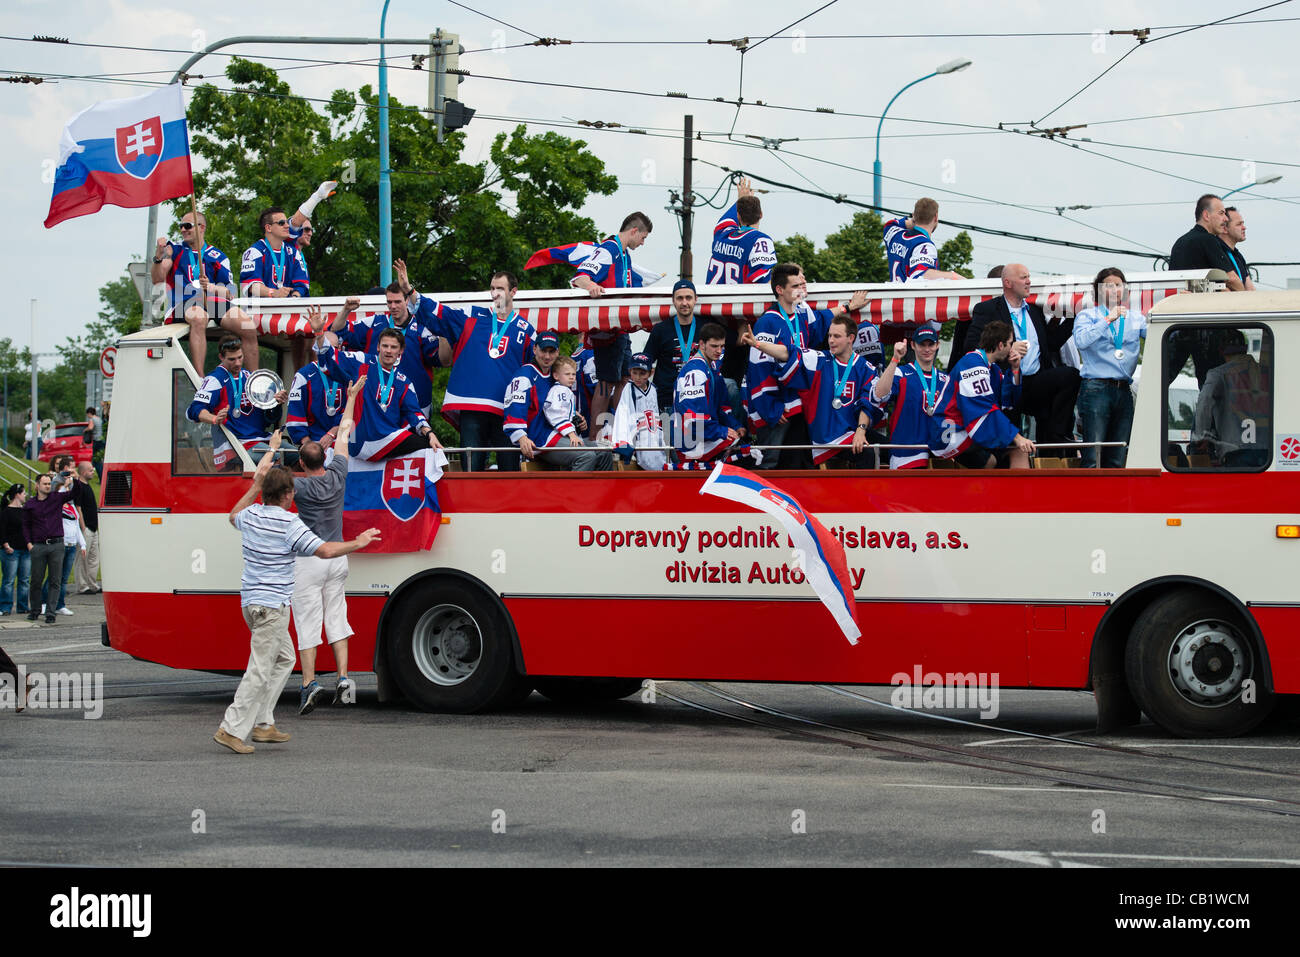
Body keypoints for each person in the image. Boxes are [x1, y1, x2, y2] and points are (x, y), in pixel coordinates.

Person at [215, 432, 380, 754]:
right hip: (272, 607)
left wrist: (256, 481)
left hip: (251, 603)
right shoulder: (289, 525)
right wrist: (356, 543)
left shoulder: (250, 516)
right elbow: (325, 551)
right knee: (260, 668)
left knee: (285, 658)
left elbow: (232, 515)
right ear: (289, 495)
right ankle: (231, 728)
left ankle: (263, 724)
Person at [406, 263, 536, 471]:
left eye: (500, 288)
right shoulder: (472, 315)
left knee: (510, 468)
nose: (495, 293)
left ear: (513, 291)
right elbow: (440, 313)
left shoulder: (527, 331)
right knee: (471, 467)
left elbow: (535, 373)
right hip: (471, 403)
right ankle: (469, 504)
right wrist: (409, 290)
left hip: (507, 409)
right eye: (492, 288)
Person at [745, 262, 867, 468]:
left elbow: (822, 319)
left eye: (801, 284)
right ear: (780, 290)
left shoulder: (801, 311)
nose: (800, 289)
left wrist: (848, 307)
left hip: (799, 401)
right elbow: (758, 368)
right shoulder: (768, 322)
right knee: (771, 462)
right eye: (794, 286)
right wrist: (771, 408)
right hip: (779, 408)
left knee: (798, 460)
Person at [294, 375, 364, 716]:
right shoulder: (338, 473)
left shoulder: (299, 487)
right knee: (337, 618)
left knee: (308, 622)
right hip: (338, 558)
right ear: (324, 458)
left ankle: (309, 683)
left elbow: (266, 479)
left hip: (309, 559)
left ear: (303, 465)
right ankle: (344, 680)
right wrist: (351, 397)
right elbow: (345, 429)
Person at [959, 263, 1079, 449]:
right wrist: (1005, 348)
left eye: (1029, 276)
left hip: (1034, 381)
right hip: (1005, 383)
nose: (1029, 281)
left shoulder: (1035, 310)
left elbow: (1052, 344)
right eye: (1023, 277)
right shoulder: (987, 309)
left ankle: (1058, 435)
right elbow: (971, 346)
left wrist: (1074, 315)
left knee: (1070, 375)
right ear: (1007, 282)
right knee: (1010, 446)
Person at [309, 309, 442, 461]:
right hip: (362, 438)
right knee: (426, 446)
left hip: (387, 438)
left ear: (401, 351)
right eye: (385, 346)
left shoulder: (403, 381)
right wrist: (319, 334)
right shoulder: (361, 361)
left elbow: (415, 413)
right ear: (378, 347)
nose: (388, 351)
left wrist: (429, 433)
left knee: (431, 446)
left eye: (393, 347)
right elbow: (332, 356)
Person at [761, 314, 884, 468]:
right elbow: (789, 353)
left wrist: (860, 431)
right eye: (830, 335)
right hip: (826, 435)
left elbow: (867, 402)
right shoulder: (820, 360)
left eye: (837, 336)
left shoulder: (865, 368)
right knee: (866, 454)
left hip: (850, 430)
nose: (831, 340)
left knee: (889, 447)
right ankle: (859, 492)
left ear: (851, 338)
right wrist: (758, 344)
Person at [572, 212, 654, 437]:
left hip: (620, 329)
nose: (643, 243)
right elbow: (580, 276)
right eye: (644, 237)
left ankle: (621, 433)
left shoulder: (623, 253)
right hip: (606, 329)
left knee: (623, 380)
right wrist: (591, 286)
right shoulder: (609, 249)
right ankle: (594, 439)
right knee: (606, 383)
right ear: (634, 231)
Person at [331, 263, 448, 412]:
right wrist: (346, 310)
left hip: (415, 402)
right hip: (377, 401)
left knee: (417, 435)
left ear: (406, 300)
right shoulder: (375, 322)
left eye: (397, 301)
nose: (392, 306)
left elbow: (442, 360)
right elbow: (337, 331)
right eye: (389, 302)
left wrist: (443, 330)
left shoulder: (422, 327)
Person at [153, 210, 253, 374]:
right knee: (200, 317)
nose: (183, 230)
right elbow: (157, 278)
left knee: (247, 325)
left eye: (187, 226)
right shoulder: (174, 250)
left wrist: (211, 287)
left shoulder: (217, 256)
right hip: (182, 302)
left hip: (211, 302)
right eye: (181, 227)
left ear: (201, 227)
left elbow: (229, 292)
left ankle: (255, 381)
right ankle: (200, 379)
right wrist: (157, 258)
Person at [1072, 268, 1147, 468]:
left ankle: (1113, 498)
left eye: (1119, 285)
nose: (1115, 289)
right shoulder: (1087, 315)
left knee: (1118, 455)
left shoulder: (1136, 318)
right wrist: (1108, 320)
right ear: (1098, 290)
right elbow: (1081, 341)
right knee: (1093, 455)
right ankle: (1089, 497)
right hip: (1096, 387)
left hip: (1123, 388)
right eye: (1109, 285)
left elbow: (1160, 336)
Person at [938, 320, 1035, 468]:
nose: (1011, 348)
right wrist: (1018, 437)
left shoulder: (992, 369)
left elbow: (1008, 402)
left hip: (967, 429)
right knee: (991, 461)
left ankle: (1021, 491)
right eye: (1010, 343)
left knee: (1018, 451)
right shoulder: (972, 364)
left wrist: (1015, 369)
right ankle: (987, 491)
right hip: (950, 433)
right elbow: (985, 411)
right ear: (1000, 345)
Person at [872, 325, 967, 469]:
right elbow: (879, 394)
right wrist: (895, 359)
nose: (927, 349)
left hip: (939, 451)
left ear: (937, 345)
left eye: (931, 344)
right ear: (913, 345)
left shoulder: (945, 379)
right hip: (908, 452)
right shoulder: (901, 373)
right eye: (922, 344)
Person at [187, 336, 288, 471]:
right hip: (235, 445)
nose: (237, 363)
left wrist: (275, 403)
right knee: (274, 458)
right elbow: (193, 411)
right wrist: (215, 418)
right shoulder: (214, 380)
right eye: (232, 359)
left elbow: (269, 419)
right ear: (221, 358)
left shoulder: (250, 377)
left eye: (240, 357)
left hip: (261, 439)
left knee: (298, 456)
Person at [240, 207, 311, 371]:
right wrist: (273, 293)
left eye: (286, 222)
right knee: (246, 329)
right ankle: (253, 378)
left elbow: (302, 284)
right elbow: (250, 285)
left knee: (311, 329)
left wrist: (293, 297)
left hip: (287, 307)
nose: (287, 225)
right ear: (268, 228)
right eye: (281, 222)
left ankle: (299, 377)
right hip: (259, 310)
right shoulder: (254, 252)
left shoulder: (293, 252)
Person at [1191, 329, 1270, 467]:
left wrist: (1201, 436)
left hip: (1235, 451)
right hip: (1268, 450)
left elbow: (1204, 402)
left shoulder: (1218, 374)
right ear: (1245, 349)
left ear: (1221, 351)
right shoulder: (1267, 374)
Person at [525, 356, 613, 471]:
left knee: (604, 448)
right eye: (567, 374)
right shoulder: (559, 390)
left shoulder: (566, 390)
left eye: (573, 374)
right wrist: (571, 434)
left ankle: (601, 486)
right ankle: (575, 488)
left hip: (565, 436)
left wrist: (578, 421)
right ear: (556, 376)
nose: (571, 377)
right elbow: (555, 414)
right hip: (550, 439)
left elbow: (565, 413)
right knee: (587, 456)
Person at [675, 323, 744, 463]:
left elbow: (719, 407)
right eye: (714, 346)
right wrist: (722, 431)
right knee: (746, 454)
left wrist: (735, 425)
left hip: (703, 435)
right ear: (702, 344)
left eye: (722, 346)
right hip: (690, 444)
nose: (719, 351)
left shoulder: (711, 366)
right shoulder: (695, 372)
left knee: (744, 447)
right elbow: (693, 421)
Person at [22, 471, 75, 624]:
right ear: (37, 485)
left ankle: (51, 613)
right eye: (44, 483)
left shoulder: (56, 498)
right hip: (38, 546)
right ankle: (35, 610)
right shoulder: (30, 504)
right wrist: (29, 544)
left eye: (49, 483)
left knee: (55, 580)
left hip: (57, 544)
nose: (47, 486)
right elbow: (25, 525)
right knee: (36, 581)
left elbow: (75, 493)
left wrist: (73, 480)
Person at [645, 280, 704, 413]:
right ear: (673, 300)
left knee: (697, 434)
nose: (684, 303)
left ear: (696, 299)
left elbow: (734, 341)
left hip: (698, 400)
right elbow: (646, 362)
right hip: (666, 402)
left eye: (688, 297)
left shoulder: (706, 328)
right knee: (669, 434)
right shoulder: (660, 329)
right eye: (680, 298)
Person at [706, 177, 777, 285]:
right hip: (740, 301)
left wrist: (741, 200)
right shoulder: (760, 240)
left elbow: (726, 220)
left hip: (714, 300)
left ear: (738, 215)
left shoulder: (722, 233)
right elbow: (762, 281)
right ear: (761, 214)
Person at [1169, 194, 1243, 290]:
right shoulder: (1208, 240)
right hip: (1202, 303)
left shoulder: (1180, 242)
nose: (1226, 218)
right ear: (1206, 215)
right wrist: (1245, 298)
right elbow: (1231, 279)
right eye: (1221, 213)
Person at [883, 198, 965, 282]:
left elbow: (890, 224)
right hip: (910, 295)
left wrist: (915, 220)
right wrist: (953, 276)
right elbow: (922, 274)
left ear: (913, 215)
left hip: (893, 294)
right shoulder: (924, 245)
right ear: (936, 217)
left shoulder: (894, 234)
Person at [611, 353, 668, 470]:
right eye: (634, 373)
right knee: (647, 463)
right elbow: (622, 414)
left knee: (660, 461)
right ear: (629, 371)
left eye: (642, 373)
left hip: (653, 433)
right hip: (638, 436)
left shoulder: (653, 389)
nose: (637, 377)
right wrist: (623, 442)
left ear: (650, 373)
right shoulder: (629, 388)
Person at [285, 354, 349, 449]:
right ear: (317, 349)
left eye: (334, 348)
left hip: (344, 442)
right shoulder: (303, 375)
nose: (329, 351)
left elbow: (354, 408)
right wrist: (308, 445)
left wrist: (332, 433)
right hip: (313, 443)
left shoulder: (348, 373)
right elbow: (295, 413)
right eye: (324, 347)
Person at [43, 490, 85, 617]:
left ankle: (59, 605)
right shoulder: (56, 506)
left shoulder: (72, 508)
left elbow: (76, 527)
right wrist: (63, 487)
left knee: (64, 579)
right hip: (60, 545)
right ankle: (44, 602)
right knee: (53, 576)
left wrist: (82, 544)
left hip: (71, 547)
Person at [1, 483, 31, 616]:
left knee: (24, 579)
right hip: (11, 550)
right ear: (17, 495)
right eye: (23, 493)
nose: (25, 496)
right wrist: (5, 544)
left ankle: (22, 606)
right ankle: (5, 606)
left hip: (25, 549)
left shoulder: (25, 511)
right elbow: (2, 531)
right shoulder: (6, 511)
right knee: (9, 579)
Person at [72, 461, 100, 594]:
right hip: (86, 527)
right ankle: (82, 586)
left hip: (94, 528)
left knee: (94, 558)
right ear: (83, 472)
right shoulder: (79, 487)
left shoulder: (88, 486)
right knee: (82, 557)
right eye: (90, 470)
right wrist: (82, 527)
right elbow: (78, 508)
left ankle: (92, 584)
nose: (93, 471)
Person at [1219, 207, 1256, 291]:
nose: (1244, 228)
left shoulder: (1238, 256)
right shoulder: (1216, 252)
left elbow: (1250, 288)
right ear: (1224, 229)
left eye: (1243, 223)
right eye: (1239, 224)